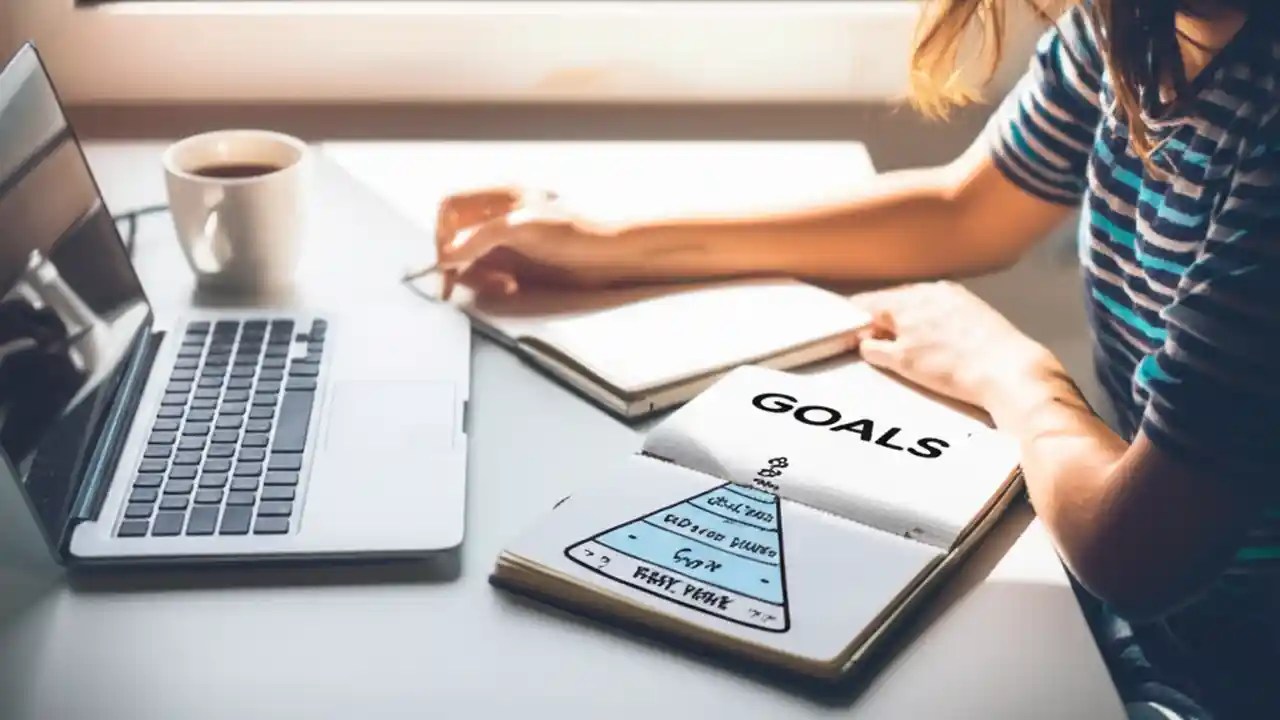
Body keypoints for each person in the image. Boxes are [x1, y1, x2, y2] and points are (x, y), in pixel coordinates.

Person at [433, 1, 1279, 717]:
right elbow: (966, 210)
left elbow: (1135, 550)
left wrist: (1014, 376)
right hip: (1159, 620)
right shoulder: (1133, 26)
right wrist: (609, 243)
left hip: (1228, 665)